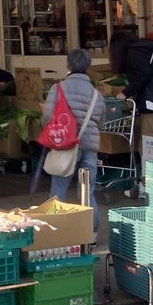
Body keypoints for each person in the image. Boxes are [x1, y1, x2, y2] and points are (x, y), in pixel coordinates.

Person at [42, 49, 106, 231]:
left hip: (65, 146)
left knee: (58, 190)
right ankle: (91, 233)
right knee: (88, 191)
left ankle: (56, 231)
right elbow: (101, 122)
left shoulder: (58, 88)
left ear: (68, 66)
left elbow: (47, 116)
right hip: (89, 146)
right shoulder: (96, 95)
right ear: (88, 67)